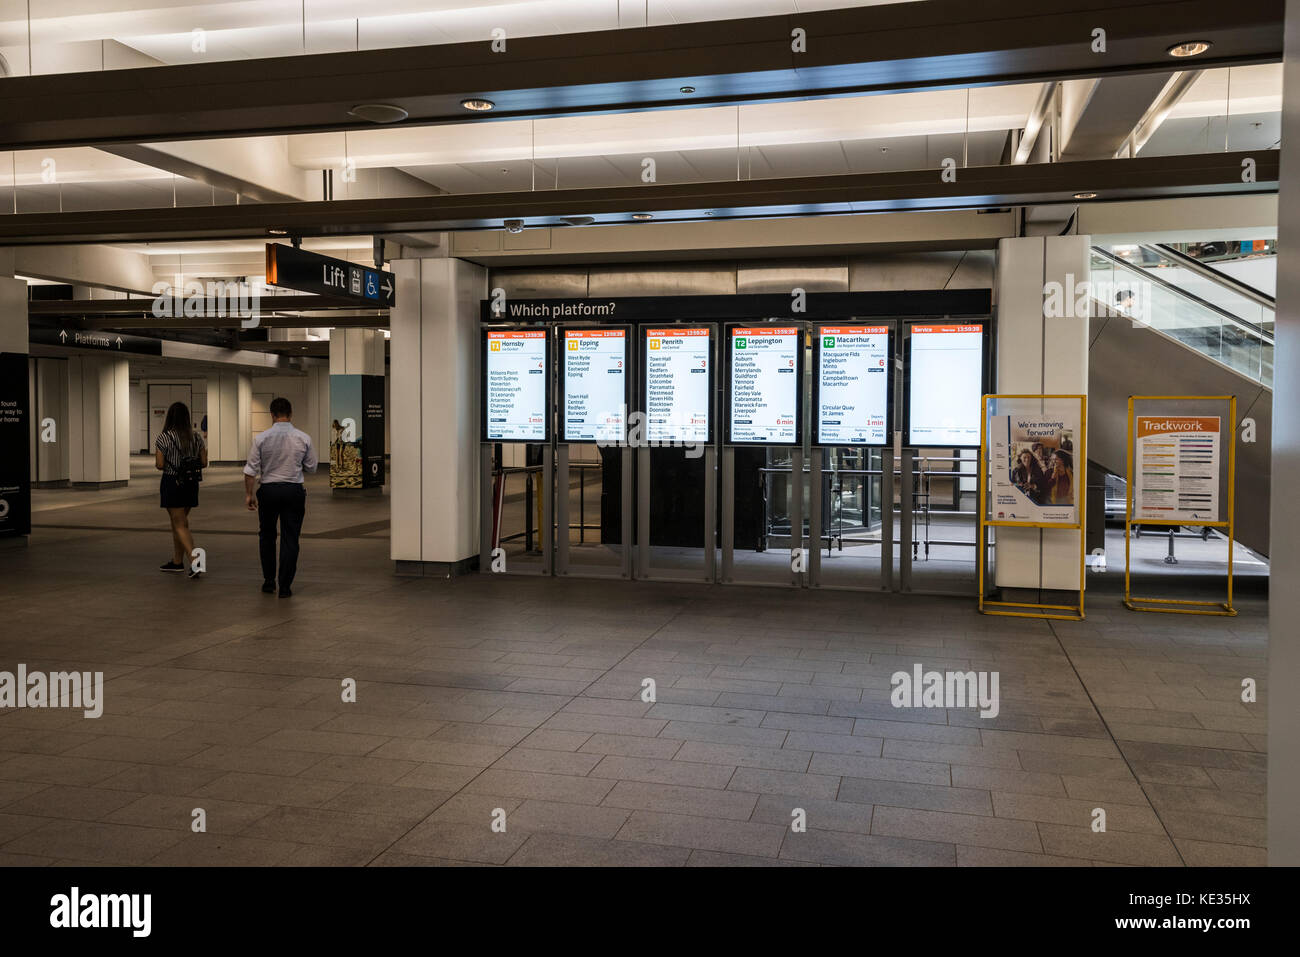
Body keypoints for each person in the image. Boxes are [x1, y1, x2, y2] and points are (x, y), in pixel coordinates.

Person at [244, 397, 318, 597]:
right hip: (293, 491)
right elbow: (312, 467)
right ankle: (285, 586)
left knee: (267, 536)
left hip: (268, 491)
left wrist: (249, 495)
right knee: (290, 538)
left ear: (272, 415)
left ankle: (269, 581)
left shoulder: (261, 438)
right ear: (291, 413)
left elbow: (250, 470)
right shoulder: (303, 438)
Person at [155, 401, 208, 579]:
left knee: (179, 524)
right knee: (179, 523)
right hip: (191, 482)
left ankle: (196, 562)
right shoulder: (196, 437)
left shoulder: (164, 438)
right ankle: (177, 562)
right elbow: (204, 462)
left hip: (173, 482)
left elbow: (160, 465)